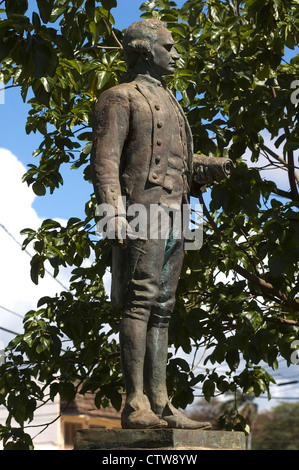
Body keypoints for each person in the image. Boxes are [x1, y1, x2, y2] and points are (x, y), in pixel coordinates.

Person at [91, 19, 230, 429]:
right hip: (139, 210)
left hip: (178, 212)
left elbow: (178, 164)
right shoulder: (118, 98)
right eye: (169, 47)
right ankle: (136, 403)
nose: (176, 55)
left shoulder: (171, 100)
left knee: (164, 308)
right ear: (144, 50)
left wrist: (207, 166)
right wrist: (111, 212)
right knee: (140, 300)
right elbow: (105, 162)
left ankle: (163, 402)